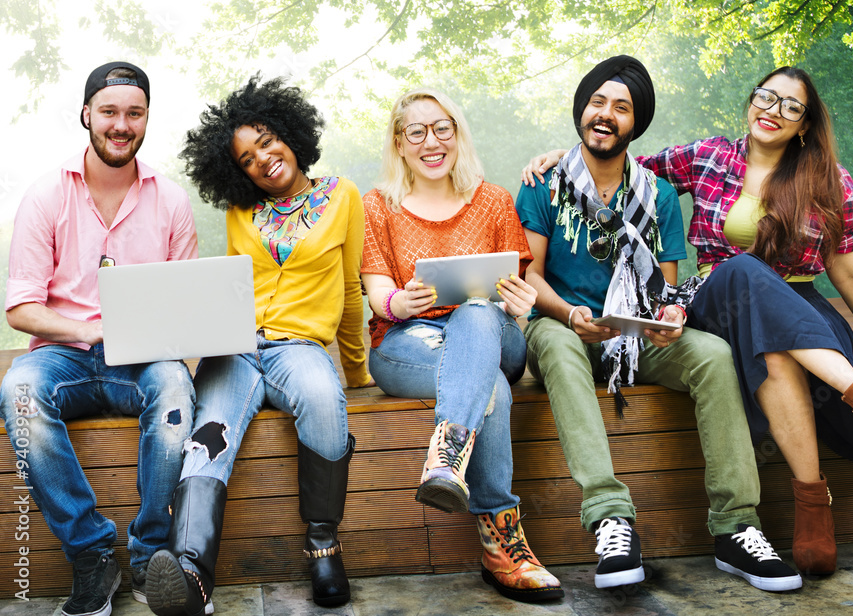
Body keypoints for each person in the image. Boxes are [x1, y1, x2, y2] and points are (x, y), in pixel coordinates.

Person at [525, 65, 853, 576]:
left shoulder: (827, 180)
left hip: (794, 310)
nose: (773, 111)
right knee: (741, 269)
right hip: (716, 298)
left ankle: (803, 506)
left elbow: (851, 273)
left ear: (806, 124)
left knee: (770, 346)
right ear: (751, 102)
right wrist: (560, 158)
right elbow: (622, 164)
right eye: (766, 98)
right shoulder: (707, 156)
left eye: (791, 106)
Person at [516, 56, 801, 593]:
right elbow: (527, 274)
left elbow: (662, 290)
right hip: (563, 326)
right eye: (596, 103)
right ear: (581, 111)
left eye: (620, 108)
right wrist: (570, 313)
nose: (605, 115)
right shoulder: (544, 183)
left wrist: (669, 318)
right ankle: (610, 518)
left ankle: (736, 526)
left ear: (635, 123)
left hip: (634, 337)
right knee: (554, 341)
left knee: (712, 354)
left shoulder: (658, 194)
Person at [145, 76, 371, 616]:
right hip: (237, 347)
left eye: (267, 140)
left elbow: (349, 288)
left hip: (300, 348)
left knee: (322, 395)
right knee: (209, 431)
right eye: (246, 158)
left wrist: (357, 371)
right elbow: (232, 288)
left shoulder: (341, 196)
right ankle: (191, 567)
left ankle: (323, 546)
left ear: (291, 135)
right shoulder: (239, 212)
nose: (263, 160)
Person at [0, 62, 197, 616]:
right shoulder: (45, 197)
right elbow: (21, 308)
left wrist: (171, 341)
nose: (121, 124)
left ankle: (150, 554)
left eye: (134, 113)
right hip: (63, 356)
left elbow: (186, 303)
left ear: (146, 120)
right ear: (86, 115)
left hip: (141, 359)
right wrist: (87, 329)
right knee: (19, 393)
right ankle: (91, 557)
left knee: (176, 390)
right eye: (109, 112)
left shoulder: (172, 201)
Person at [360, 89, 564, 604]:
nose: (432, 142)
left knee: (478, 310)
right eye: (417, 132)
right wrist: (399, 305)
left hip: (497, 336)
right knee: (485, 382)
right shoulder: (377, 206)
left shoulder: (493, 199)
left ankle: (447, 457)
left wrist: (520, 304)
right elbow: (379, 290)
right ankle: (503, 544)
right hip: (408, 344)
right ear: (399, 143)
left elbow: (519, 283)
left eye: (443, 128)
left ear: (458, 134)